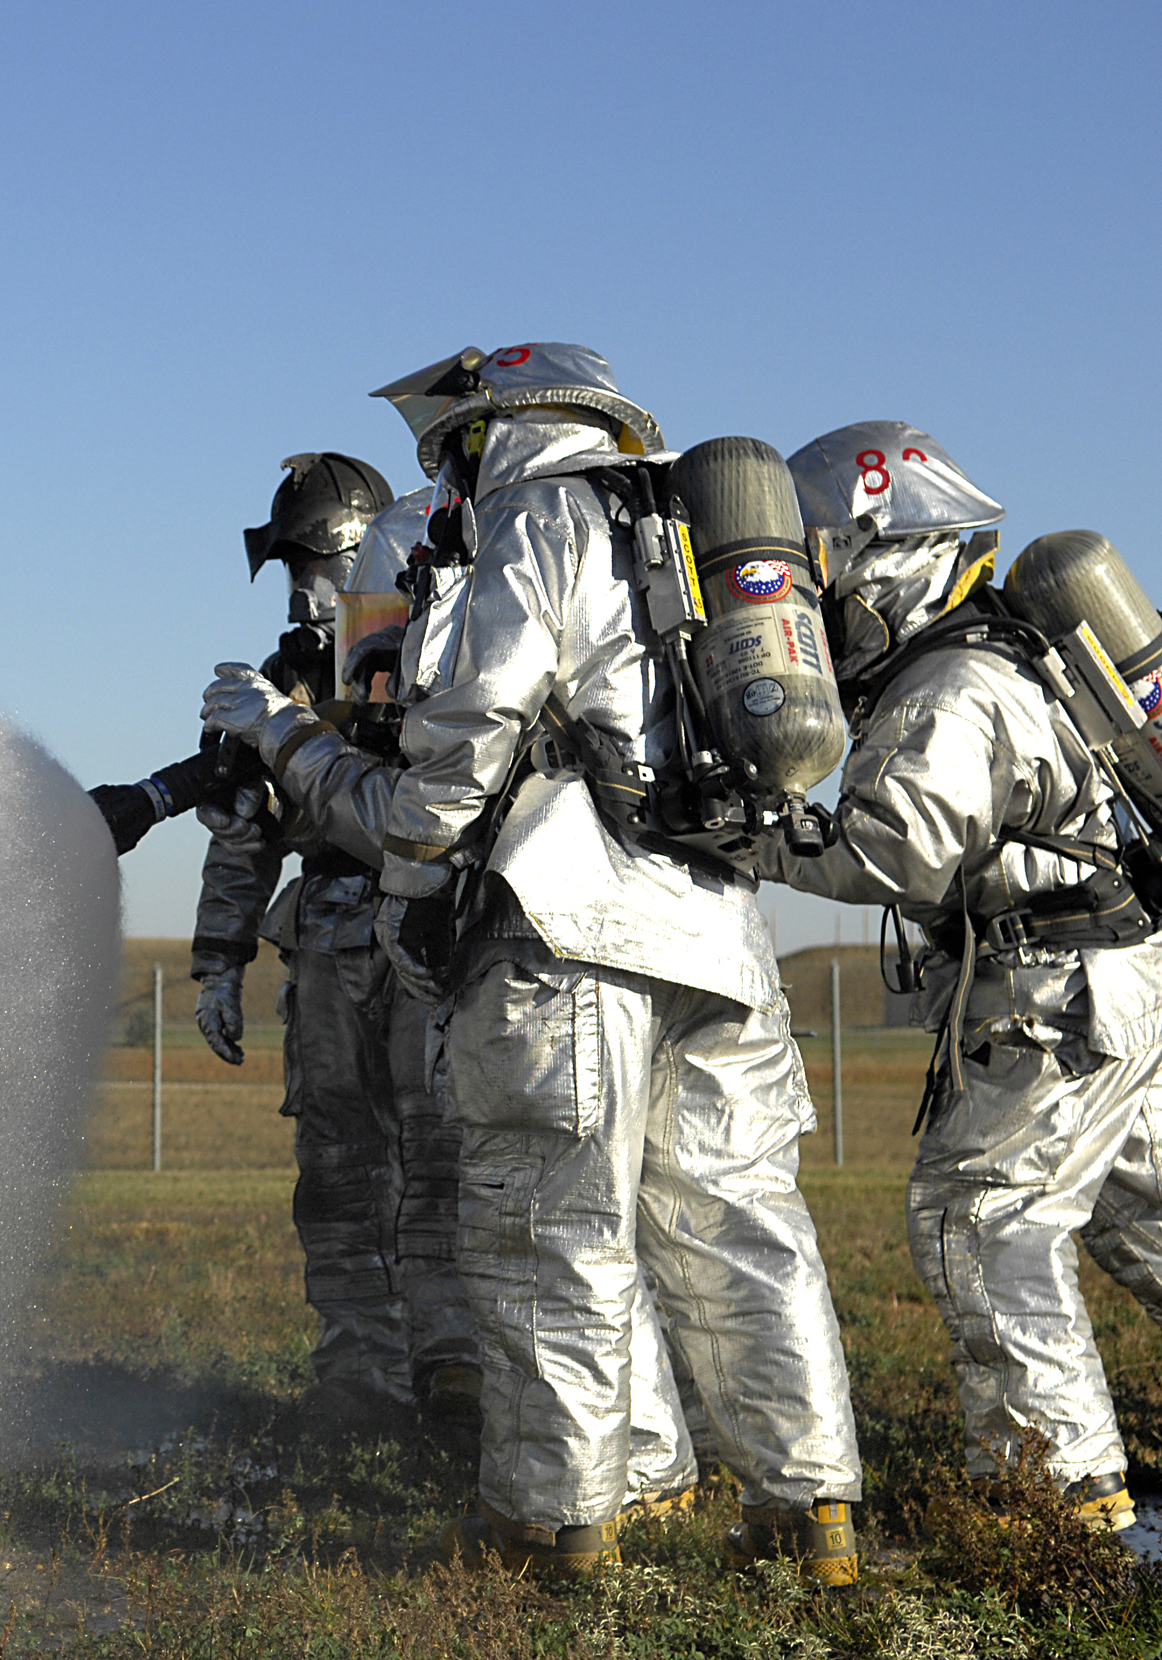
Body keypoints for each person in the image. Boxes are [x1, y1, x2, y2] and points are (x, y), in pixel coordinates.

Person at [232, 343, 861, 1581]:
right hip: (721, 931)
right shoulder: (680, 524)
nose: (446, 474)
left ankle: (552, 1519)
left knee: (548, 1227)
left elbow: (463, 752)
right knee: (743, 1225)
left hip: (566, 927)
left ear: (494, 429)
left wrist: (308, 758)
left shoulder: (533, 515)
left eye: (451, 447)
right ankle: (812, 1512)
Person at [765, 422, 1162, 1532]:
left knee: (980, 1220)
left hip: (1051, 991)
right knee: (1140, 1216)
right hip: (1116, 979)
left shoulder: (947, 683)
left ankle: (1062, 1498)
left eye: (818, 561)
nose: (806, 596)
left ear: (884, 550)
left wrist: (746, 837)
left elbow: (895, 850)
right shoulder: (1009, 654)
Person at [190, 465, 485, 1428]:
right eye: (292, 566)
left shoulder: (445, 658)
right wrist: (217, 964)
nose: (304, 586)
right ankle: (357, 1376)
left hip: (424, 938)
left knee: (435, 1158)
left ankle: (453, 1369)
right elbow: (241, 836)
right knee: (336, 1168)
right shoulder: (278, 682)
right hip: (322, 944)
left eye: (318, 562)